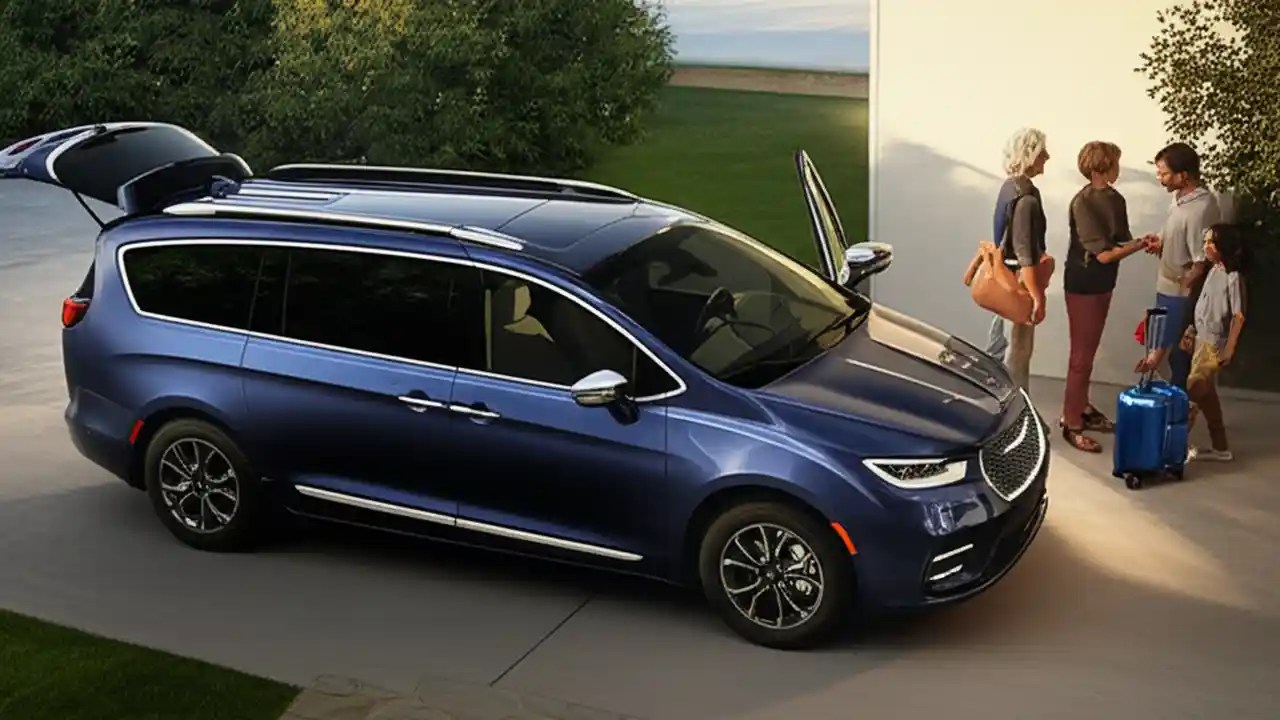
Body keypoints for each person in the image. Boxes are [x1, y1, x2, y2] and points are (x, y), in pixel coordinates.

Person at [1059, 141, 1155, 452]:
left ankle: (1082, 406)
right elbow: (1102, 254)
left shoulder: (1115, 198)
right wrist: (1139, 244)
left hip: (1104, 282)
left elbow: (1121, 240)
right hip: (1084, 282)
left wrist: (1144, 242)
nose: (1119, 167)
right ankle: (1071, 420)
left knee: (1089, 351)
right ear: (1102, 165)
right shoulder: (1083, 202)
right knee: (1081, 356)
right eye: (1115, 161)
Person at [1137, 142, 1221, 389]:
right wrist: (1161, 240)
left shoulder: (1201, 208)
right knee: (1161, 344)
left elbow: (1201, 259)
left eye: (1164, 174)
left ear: (1183, 176)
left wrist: (1187, 290)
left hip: (1181, 293)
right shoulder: (1180, 199)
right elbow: (1175, 229)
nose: (1159, 178)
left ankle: (1179, 410)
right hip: (1166, 288)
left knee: (1177, 353)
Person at [1174, 223, 1248, 462]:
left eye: (1210, 242)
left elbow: (1238, 315)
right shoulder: (1212, 270)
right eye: (1204, 241)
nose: (1205, 246)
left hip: (1214, 343)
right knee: (1207, 395)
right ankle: (1220, 446)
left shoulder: (1233, 277)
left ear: (1222, 246)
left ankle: (1175, 446)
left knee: (1194, 389)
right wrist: (1191, 330)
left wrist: (1230, 348)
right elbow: (1202, 303)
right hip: (1201, 339)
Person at [986, 128, 1050, 388]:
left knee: (999, 346)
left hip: (1003, 280)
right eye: (1042, 151)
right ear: (1030, 154)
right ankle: (1017, 411)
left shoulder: (1008, 188)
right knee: (1018, 354)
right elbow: (1025, 253)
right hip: (1018, 284)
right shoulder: (1026, 198)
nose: (1047, 156)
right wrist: (1037, 297)